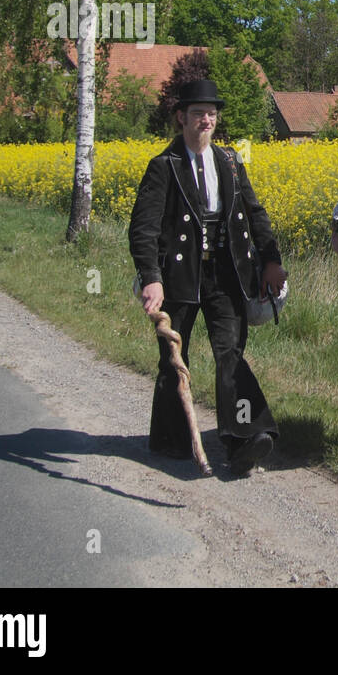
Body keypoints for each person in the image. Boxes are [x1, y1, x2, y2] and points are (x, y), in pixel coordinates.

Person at [128, 79, 287, 476]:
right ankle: (171, 439)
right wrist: (151, 277)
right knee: (173, 358)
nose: (206, 120)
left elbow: (255, 213)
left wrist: (271, 261)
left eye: (212, 113)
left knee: (230, 351)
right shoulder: (164, 166)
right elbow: (143, 228)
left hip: (227, 272)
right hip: (179, 274)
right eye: (198, 113)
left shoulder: (230, 161)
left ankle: (245, 439)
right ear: (181, 117)